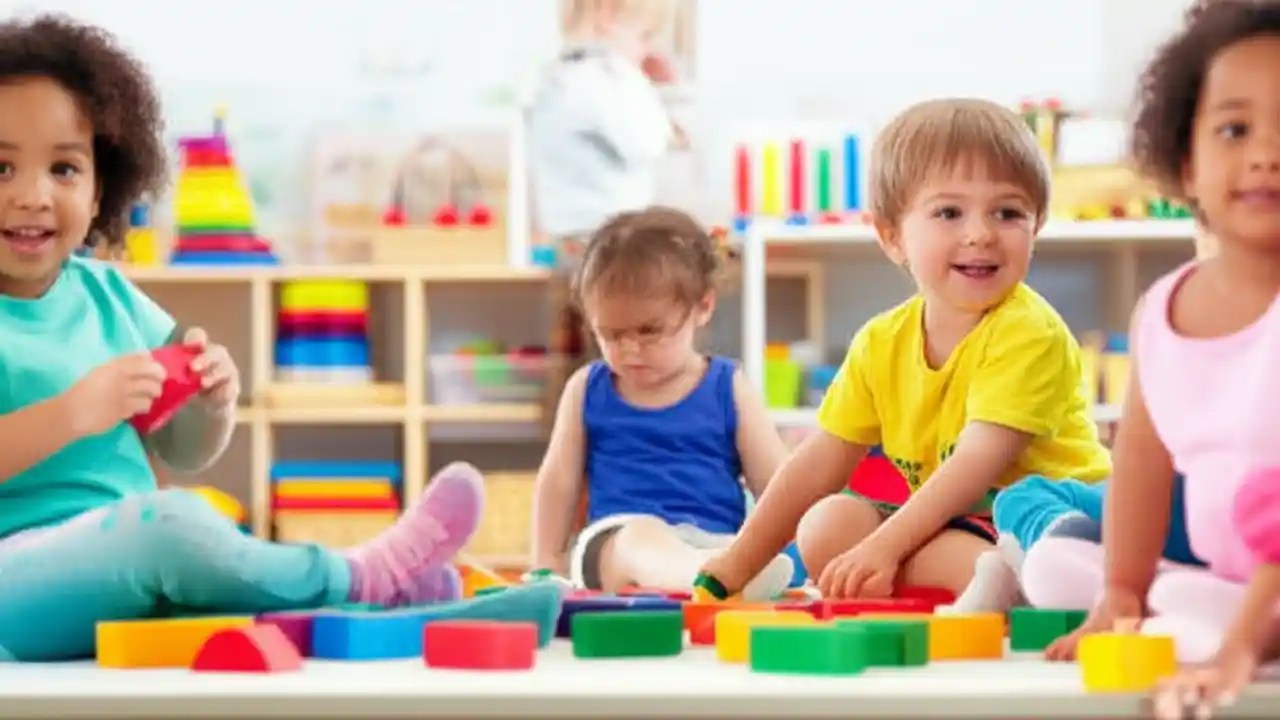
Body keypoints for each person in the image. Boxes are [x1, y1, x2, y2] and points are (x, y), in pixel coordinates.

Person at [0, 15, 487, 662]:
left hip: (124, 561)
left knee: (191, 527)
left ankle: (389, 594)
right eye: (1, 168)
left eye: (63, 169)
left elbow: (185, 448)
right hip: (17, 582)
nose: (32, 196)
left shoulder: (109, 296)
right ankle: (369, 574)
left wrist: (211, 403)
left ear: (100, 192)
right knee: (174, 528)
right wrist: (74, 412)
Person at [698, 98, 1111, 612]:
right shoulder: (881, 341)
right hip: (956, 524)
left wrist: (884, 547)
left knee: (909, 547)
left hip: (1047, 518)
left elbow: (975, 465)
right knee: (826, 525)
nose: (980, 233)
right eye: (949, 213)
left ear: (1037, 225)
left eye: (1008, 213)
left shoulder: (1029, 331)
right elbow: (818, 462)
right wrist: (737, 561)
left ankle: (1024, 579)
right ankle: (991, 581)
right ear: (892, 237)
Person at [1014, 2, 1280, 716]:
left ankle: (1224, 631)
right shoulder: (1168, 307)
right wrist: (1121, 590)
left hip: (1263, 589)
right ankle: (1187, 616)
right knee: (1064, 570)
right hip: (1225, 578)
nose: (1265, 154)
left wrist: (1236, 654)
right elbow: (1140, 460)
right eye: (1235, 130)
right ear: (1188, 165)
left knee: (1192, 612)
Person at [529, 206, 796, 600]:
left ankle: (723, 572)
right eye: (612, 335)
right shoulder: (587, 388)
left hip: (712, 541)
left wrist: (789, 546)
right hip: (615, 545)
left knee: (729, 549)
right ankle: (717, 577)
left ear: (702, 307)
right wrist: (545, 563)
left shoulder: (729, 387)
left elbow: (778, 484)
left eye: (650, 331)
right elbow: (558, 483)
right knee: (642, 539)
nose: (631, 349)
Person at [525, 0, 685, 434]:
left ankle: (569, 465)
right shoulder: (606, 76)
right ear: (609, 16)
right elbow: (648, 142)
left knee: (576, 369)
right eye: (644, 37)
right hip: (610, 250)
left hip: (569, 246)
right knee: (624, 365)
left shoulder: (554, 77)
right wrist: (649, 89)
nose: (644, 50)